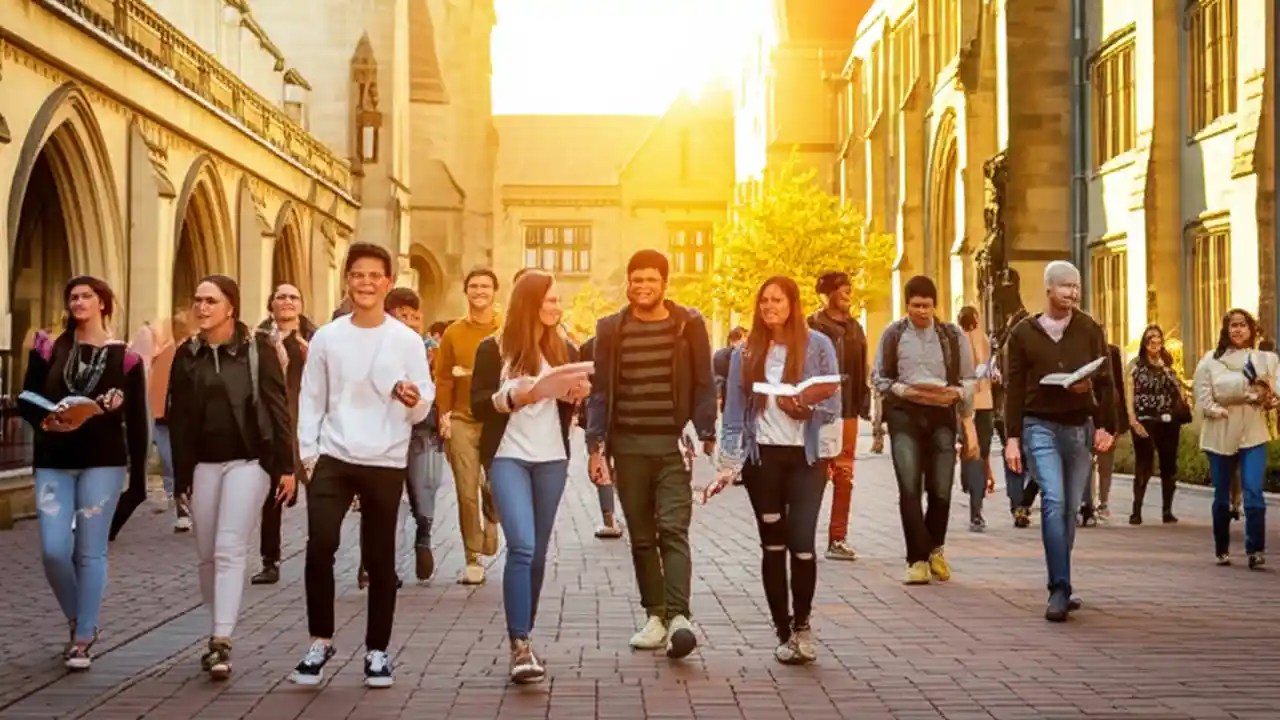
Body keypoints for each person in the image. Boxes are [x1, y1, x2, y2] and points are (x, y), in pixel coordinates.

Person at [290, 243, 434, 688]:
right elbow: (311, 397)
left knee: (379, 559)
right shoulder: (328, 338)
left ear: (387, 283)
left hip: (385, 460)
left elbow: (424, 398)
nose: (366, 283)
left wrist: (413, 399)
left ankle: (377, 651)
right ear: (347, 280)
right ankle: (320, 640)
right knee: (320, 548)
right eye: (358, 275)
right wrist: (309, 456)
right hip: (333, 456)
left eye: (375, 276)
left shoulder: (406, 340)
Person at [585, 249, 716, 659]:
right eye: (636, 279)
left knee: (673, 530)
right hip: (628, 447)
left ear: (665, 283)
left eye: (651, 280)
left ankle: (679, 617)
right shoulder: (610, 329)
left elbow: (703, 382)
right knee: (642, 537)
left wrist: (707, 433)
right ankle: (655, 616)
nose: (643, 287)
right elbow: (600, 391)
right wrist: (596, 447)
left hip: (674, 446)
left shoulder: (688, 325)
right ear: (628, 283)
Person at [167, 275, 295, 680]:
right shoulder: (187, 354)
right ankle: (216, 623)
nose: (202, 307)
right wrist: (180, 477)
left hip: (249, 461)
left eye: (211, 301)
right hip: (204, 463)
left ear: (231, 308)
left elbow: (278, 407)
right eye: (198, 300)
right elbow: (180, 419)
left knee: (228, 547)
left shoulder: (258, 349)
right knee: (206, 553)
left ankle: (221, 640)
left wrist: (286, 467)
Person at [19, 277, 148, 670]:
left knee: (90, 552)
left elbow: (137, 422)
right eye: (72, 296)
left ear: (103, 304)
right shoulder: (48, 347)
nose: (78, 302)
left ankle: (83, 636)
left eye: (86, 296)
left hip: (103, 463)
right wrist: (49, 417)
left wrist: (139, 480)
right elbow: (26, 398)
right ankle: (78, 616)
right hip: (54, 461)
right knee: (54, 551)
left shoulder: (126, 358)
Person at [471, 270, 588, 683]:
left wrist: (576, 395)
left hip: (552, 459)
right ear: (530, 302)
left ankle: (526, 631)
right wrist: (515, 396)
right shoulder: (493, 349)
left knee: (537, 553)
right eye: (551, 300)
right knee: (521, 546)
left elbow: (573, 407)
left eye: (559, 301)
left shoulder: (565, 347)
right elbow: (479, 405)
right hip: (508, 458)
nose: (557, 307)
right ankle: (519, 643)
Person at [717, 276, 840, 664]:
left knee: (801, 540)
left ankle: (802, 625)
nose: (769, 306)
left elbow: (835, 403)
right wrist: (726, 462)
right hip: (762, 459)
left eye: (777, 300)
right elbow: (734, 413)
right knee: (773, 543)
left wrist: (805, 408)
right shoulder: (746, 351)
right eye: (764, 300)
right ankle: (782, 628)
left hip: (806, 459)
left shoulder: (818, 345)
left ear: (792, 304)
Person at [1003, 261, 1116, 621]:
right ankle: (1059, 589)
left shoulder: (1089, 329)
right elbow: (1014, 389)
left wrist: (1104, 426)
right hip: (1040, 426)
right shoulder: (1023, 334)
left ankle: (1061, 580)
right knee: (1053, 500)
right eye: (1065, 286)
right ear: (1049, 289)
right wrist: (1012, 438)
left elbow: (1107, 381)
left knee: (1069, 509)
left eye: (1077, 286)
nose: (1072, 292)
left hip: (1079, 428)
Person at [872, 276, 976, 585]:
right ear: (906, 306)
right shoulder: (893, 334)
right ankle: (916, 559)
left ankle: (935, 549)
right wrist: (905, 392)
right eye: (916, 306)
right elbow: (879, 378)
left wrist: (959, 401)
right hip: (905, 413)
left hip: (942, 413)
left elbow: (969, 379)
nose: (922, 312)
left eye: (927, 306)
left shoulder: (951, 336)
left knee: (942, 487)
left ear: (935, 305)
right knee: (909, 487)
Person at [1192, 308, 1275, 569]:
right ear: (1226, 330)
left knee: (1253, 491)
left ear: (1251, 330)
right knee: (1221, 495)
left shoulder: (1263, 360)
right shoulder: (1210, 361)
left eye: (1243, 325)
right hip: (1220, 432)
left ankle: (1255, 548)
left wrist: (1269, 398)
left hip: (1252, 431)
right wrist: (1219, 407)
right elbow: (1205, 397)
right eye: (1233, 325)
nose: (1238, 330)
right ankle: (1222, 548)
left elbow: (1273, 391)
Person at [435, 268, 502, 585]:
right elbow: (444, 376)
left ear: (494, 292)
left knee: (493, 486)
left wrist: (472, 373)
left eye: (485, 286)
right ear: (466, 291)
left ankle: (490, 535)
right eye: (474, 286)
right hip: (461, 419)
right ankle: (472, 556)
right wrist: (443, 414)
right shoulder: (453, 332)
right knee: (466, 489)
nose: (479, 291)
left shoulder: (505, 329)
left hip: (497, 421)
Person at [251, 284, 317, 585]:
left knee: (320, 496)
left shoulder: (315, 341)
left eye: (294, 297)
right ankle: (270, 560)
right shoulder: (258, 342)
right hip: (273, 427)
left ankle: (320, 555)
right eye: (281, 297)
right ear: (271, 305)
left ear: (301, 305)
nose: (288, 301)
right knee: (274, 495)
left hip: (310, 426)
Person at [807, 271, 870, 560]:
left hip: (847, 412)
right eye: (843, 291)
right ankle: (802, 534)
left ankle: (837, 538)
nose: (848, 295)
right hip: (818, 411)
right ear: (828, 294)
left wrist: (863, 400)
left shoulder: (856, 328)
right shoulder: (812, 326)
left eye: (849, 290)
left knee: (844, 475)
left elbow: (862, 367)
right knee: (815, 473)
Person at [386, 287, 445, 581]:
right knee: (387, 500)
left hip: (424, 431)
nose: (410, 322)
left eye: (415, 316)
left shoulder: (433, 349)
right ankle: (379, 562)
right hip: (386, 433)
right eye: (402, 316)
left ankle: (423, 536)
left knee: (425, 489)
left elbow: (445, 386)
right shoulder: (380, 347)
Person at [1126, 324, 1189, 525]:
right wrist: (1132, 419)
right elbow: (1129, 393)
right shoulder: (1136, 366)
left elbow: (1179, 388)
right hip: (1145, 419)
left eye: (1158, 339)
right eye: (1150, 339)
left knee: (1169, 465)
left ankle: (1167, 510)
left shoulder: (1167, 364)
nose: (1154, 343)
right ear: (1145, 343)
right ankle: (1136, 511)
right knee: (1144, 464)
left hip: (1168, 420)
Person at [147, 308, 193, 533]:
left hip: (178, 419)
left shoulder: (187, 353)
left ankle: (184, 509)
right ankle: (181, 508)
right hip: (163, 418)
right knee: (173, 465)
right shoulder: (166, 352)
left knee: (177, 465)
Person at [579, 335, 623, 538]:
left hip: (596, 416)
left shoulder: (589, 348)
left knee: (601, 466)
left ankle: (610, 520)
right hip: (624, 416)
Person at [1080, 342, 1127, 526]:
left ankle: (1102, 502)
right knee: (1087, 463)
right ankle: (1088, 504)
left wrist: (1118, 423)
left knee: (1105, 463)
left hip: (1108, 414)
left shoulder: (1112, 352)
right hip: (1087, 416)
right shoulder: (1081, 352)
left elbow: (1119, 387)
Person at [957, 305, 994, 531]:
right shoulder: (982, 338)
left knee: (971, 451)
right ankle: (976, 510)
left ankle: (972, 493)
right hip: (983, 403)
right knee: (979, 453)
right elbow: (985, 365)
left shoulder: (957, 337)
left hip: (966, 403)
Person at [713, 327, 747, 408]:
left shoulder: (719, 354)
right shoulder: (742, 354)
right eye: (745, 337)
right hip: (735, 398)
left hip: (726, 398)